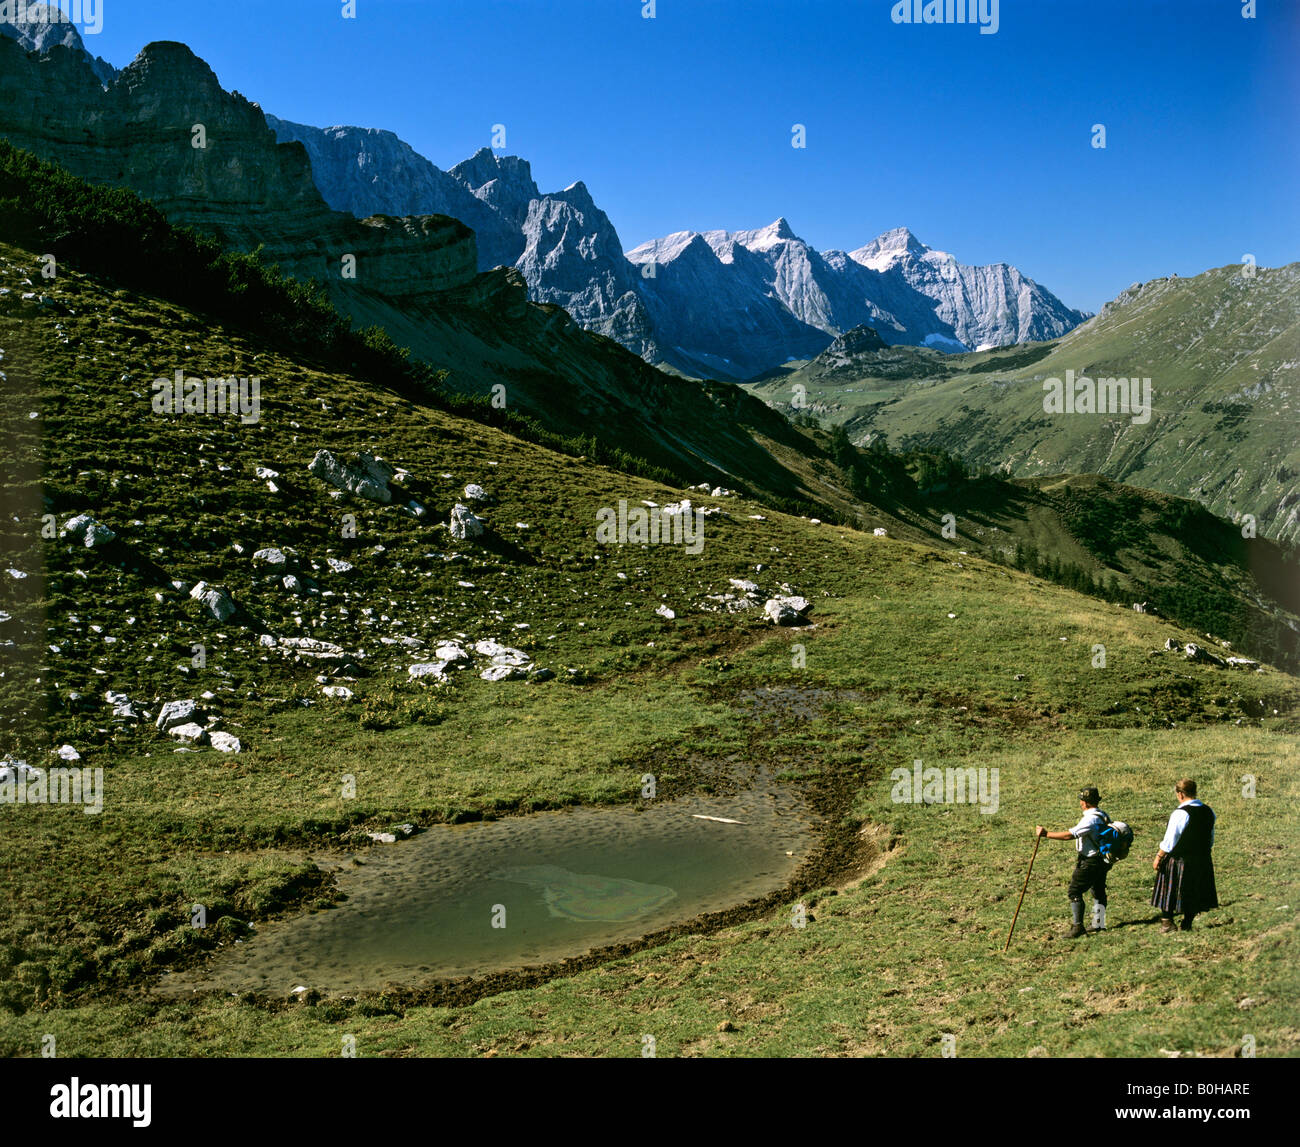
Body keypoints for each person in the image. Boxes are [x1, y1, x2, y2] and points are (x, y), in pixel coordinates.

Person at [1035, 786, 1110, 938]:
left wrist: (1046, 834)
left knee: (1074, 891)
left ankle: (1078, 927)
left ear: (1085, 803)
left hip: (1090, 861)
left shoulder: (1090, 819)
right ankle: (1099, 923)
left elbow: (1070, 835)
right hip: (1103, 859)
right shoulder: (1102, 815)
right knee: (1098, 890)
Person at [1151, 778, 1217, 933]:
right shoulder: (1209, 811)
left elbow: (1170, 839)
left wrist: (1159, 856)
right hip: (1201, 859)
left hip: (1180, 859)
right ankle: (1187, 922)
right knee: (1194, 891)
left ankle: (1167, 923)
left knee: (1169, 889)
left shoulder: (1180, 813)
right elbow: (1210, 837)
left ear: (1180, 794)